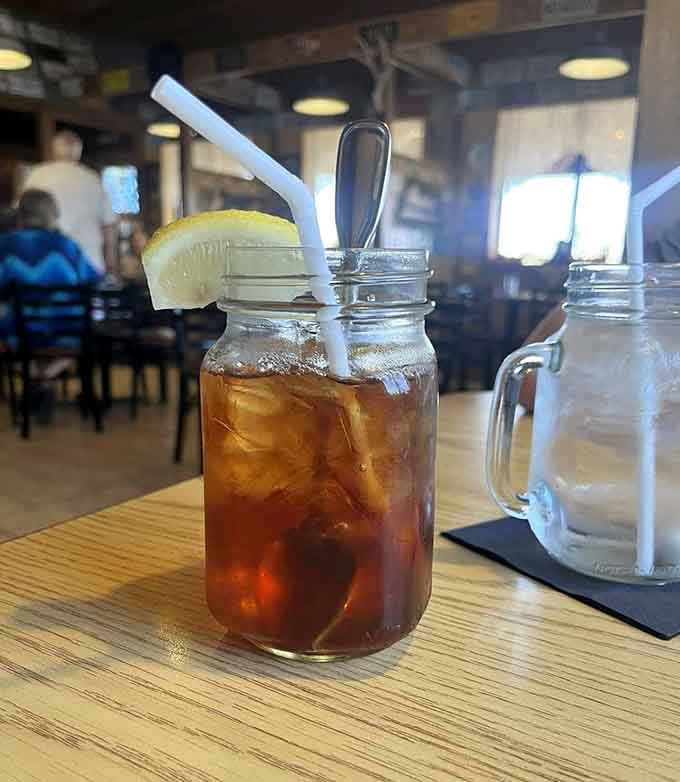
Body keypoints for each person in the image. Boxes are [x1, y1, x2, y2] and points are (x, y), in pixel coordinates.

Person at [20, 130, 118, 276]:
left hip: (44, 264)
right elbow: (109, 226)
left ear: (53, 150)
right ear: (78, 152)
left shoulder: (36, 175)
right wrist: (111, 265)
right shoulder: (93, 179)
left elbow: (21, 216)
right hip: (90, 263)